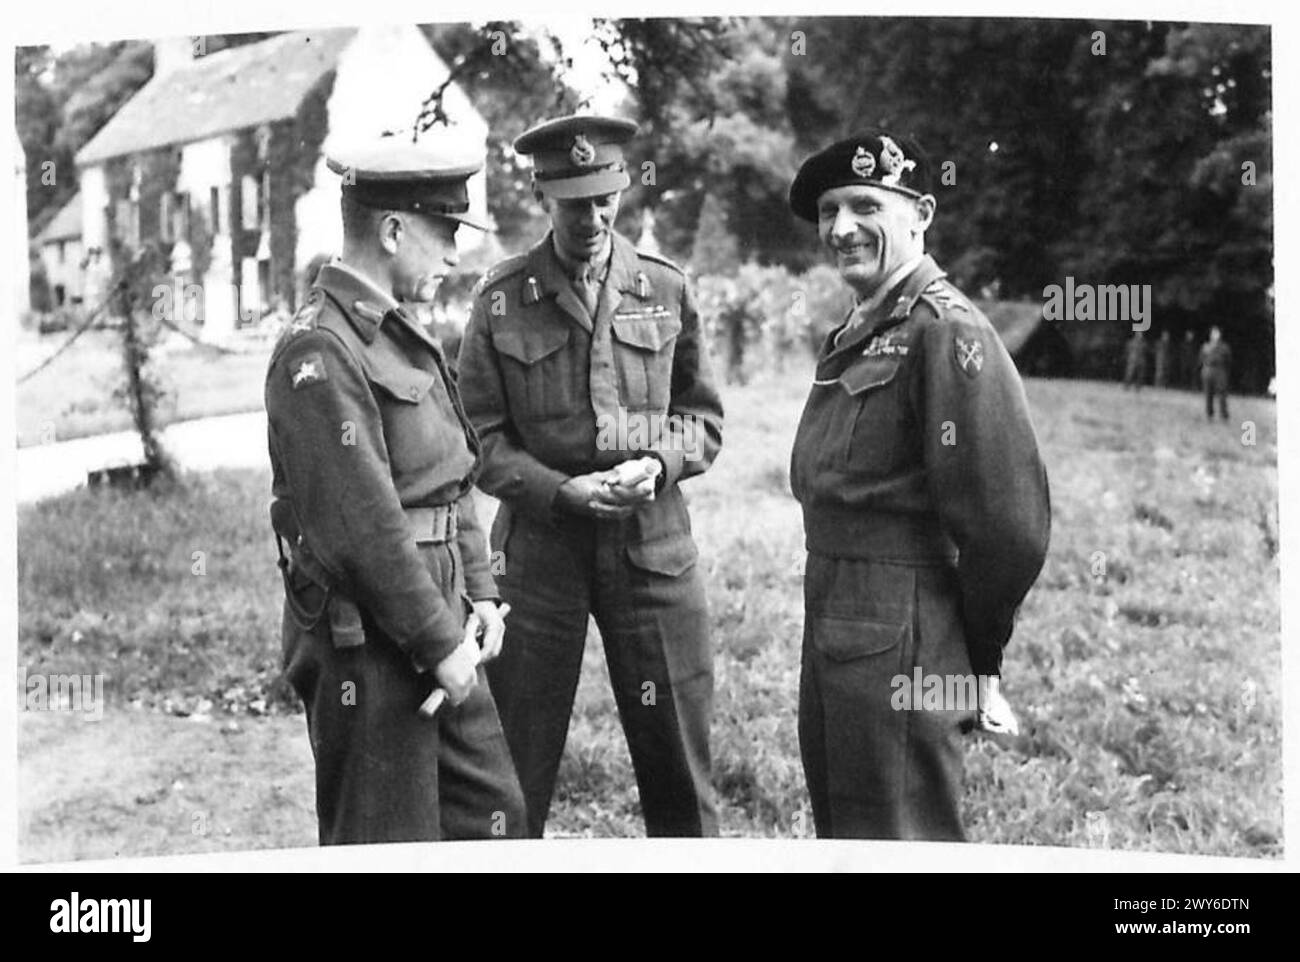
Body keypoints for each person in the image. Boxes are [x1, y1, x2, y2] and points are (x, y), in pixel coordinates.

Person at [458, 114, 724, 837]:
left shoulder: (665, 288)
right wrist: (557, 490)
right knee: (510, 772)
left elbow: (702, 418)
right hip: (540, 556)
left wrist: (660, 464)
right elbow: (477, 438)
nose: (593, 215)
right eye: (574, 199)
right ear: (544, 194)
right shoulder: (502, 298)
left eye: (605, 196)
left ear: (624, 190)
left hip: (653, 548)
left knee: (680, 767)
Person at [786, 130, 1051, 839]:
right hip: (836, 612)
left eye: (865, 205)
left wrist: (977, 656)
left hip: (904, 629)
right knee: (847, 834)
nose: (841, 228)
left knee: (902, 838)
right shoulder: (861, 329)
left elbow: (1007, 526)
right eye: (828, 210)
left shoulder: (946, 330)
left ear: (920, 213)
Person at [265, 138, 525, 844]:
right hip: (370, 641)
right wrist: (438, 640)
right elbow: (359, 525)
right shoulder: (319, 349)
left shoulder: (396, 334)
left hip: (440, 614)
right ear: (391, 230)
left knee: (494, 820)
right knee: (385, 839)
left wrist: (484, 592)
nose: (453, 255)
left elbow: (454, 472)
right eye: (444, 234)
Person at [1199, 325, 1232, 420]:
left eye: (1217, 333)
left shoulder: (1224, 347)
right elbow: (1201, 359)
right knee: (1208, 394)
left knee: (1222, 394)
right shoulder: (1206, 346)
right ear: (1210, 335)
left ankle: (1224, 415)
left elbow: (1228, 360)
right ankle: (1209, 414)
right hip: (1208, 371)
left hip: (1220, 371)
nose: (1215, 335)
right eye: (1213, 333)